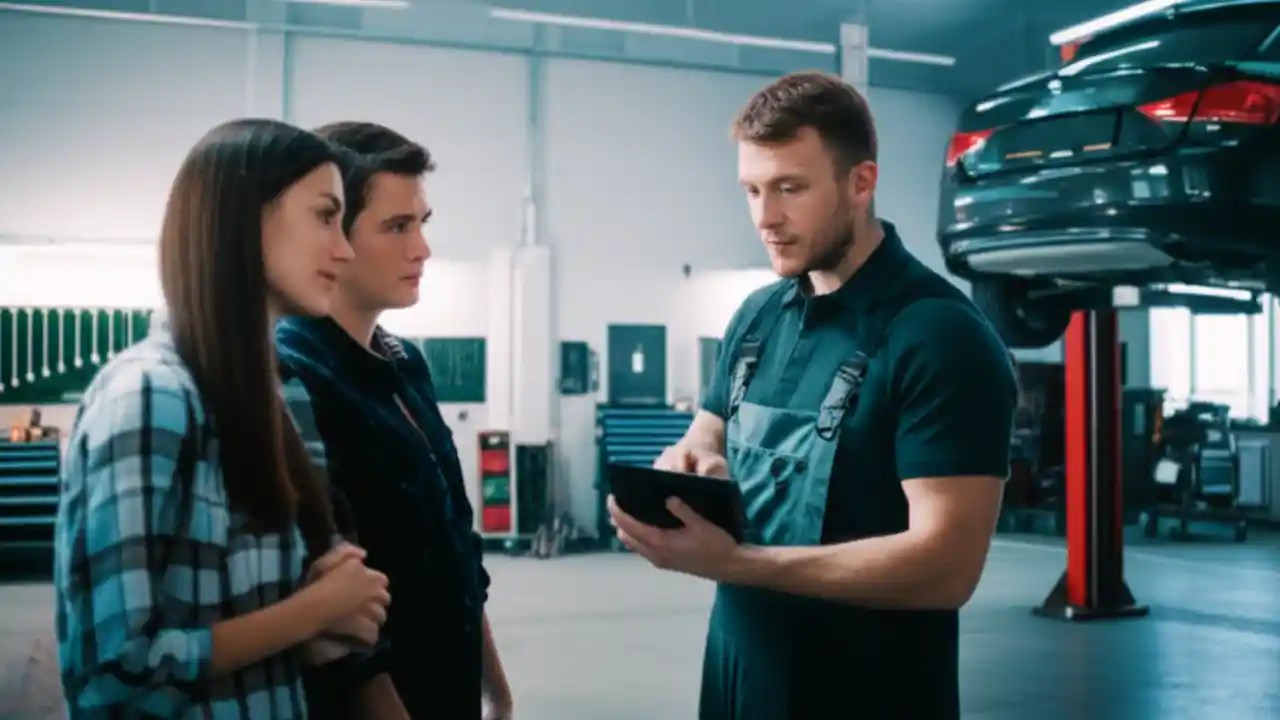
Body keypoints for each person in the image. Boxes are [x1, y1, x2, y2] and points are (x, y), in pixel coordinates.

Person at [607, 71, 1017, 719]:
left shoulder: (940, 337)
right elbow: (706, 431)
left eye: (790, 189)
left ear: (861, 183)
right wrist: (695, 460)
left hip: (868, 693)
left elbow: (948, 565)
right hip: (741, 677)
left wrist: (739, 562)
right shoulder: (756, 318)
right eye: (752, 190)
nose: (765, 218)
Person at [54, 118, 398, 719]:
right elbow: (114, 673)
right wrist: (311, 611)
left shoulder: (269, 398)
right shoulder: (150, 395)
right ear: (243, 218)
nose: (344, 249)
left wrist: (318, 624)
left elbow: (230, 630)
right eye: (324, 216)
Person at [275, 122, 512, 720]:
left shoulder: (408, 366)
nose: (422, 249)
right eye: (397, 227)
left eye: (422, 224)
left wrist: (494, 688)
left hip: (449, 688)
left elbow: (454, 544)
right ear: (334, 234)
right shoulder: (293, 379)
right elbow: (335, 615)